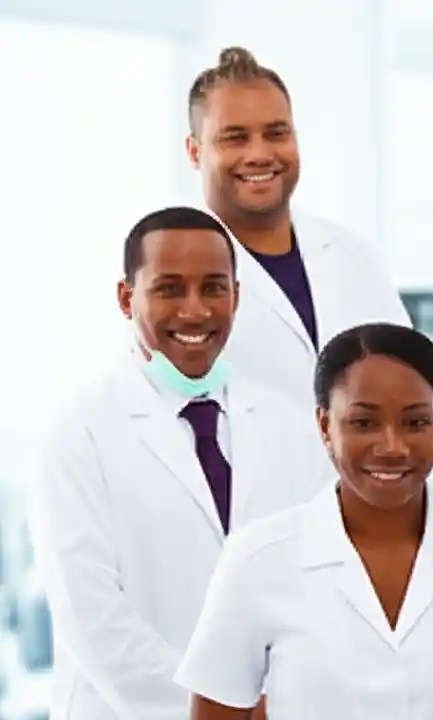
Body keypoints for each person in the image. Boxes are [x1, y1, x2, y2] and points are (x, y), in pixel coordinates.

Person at [174, 323, 433, 719]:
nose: (392, 447)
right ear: (324, 424)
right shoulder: (258, 559)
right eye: (363, 423)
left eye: (415, 422)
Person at [28, 207, 329, 720]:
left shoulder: (288, 426)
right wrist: (217, 709)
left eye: (214, 287)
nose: (195, 311)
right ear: (127, 299)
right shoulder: (79, 433)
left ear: (236, 295)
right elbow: (92, 615)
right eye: (169, 289)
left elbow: (321, 585)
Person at [185, 46, 410, 408]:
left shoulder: (353, 256)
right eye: (235, 138)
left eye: (276, 133)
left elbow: (409, 384)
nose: (259, 153)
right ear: (194, 152)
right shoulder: (170, 274)